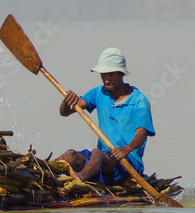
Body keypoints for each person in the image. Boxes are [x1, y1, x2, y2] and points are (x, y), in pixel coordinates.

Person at [55, 47, 155, 185]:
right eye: (104, 75)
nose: (107, 80)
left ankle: (78, 180)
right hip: (101, 160)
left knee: (97, 153)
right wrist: (67, 101)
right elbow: (65, 112)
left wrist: (126, 149)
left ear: (121, 74)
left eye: (112, 75)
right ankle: (41, 171)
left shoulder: (139, 100)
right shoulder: (99, 93)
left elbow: (141, 134)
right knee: (71, 155)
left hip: (127, 161)